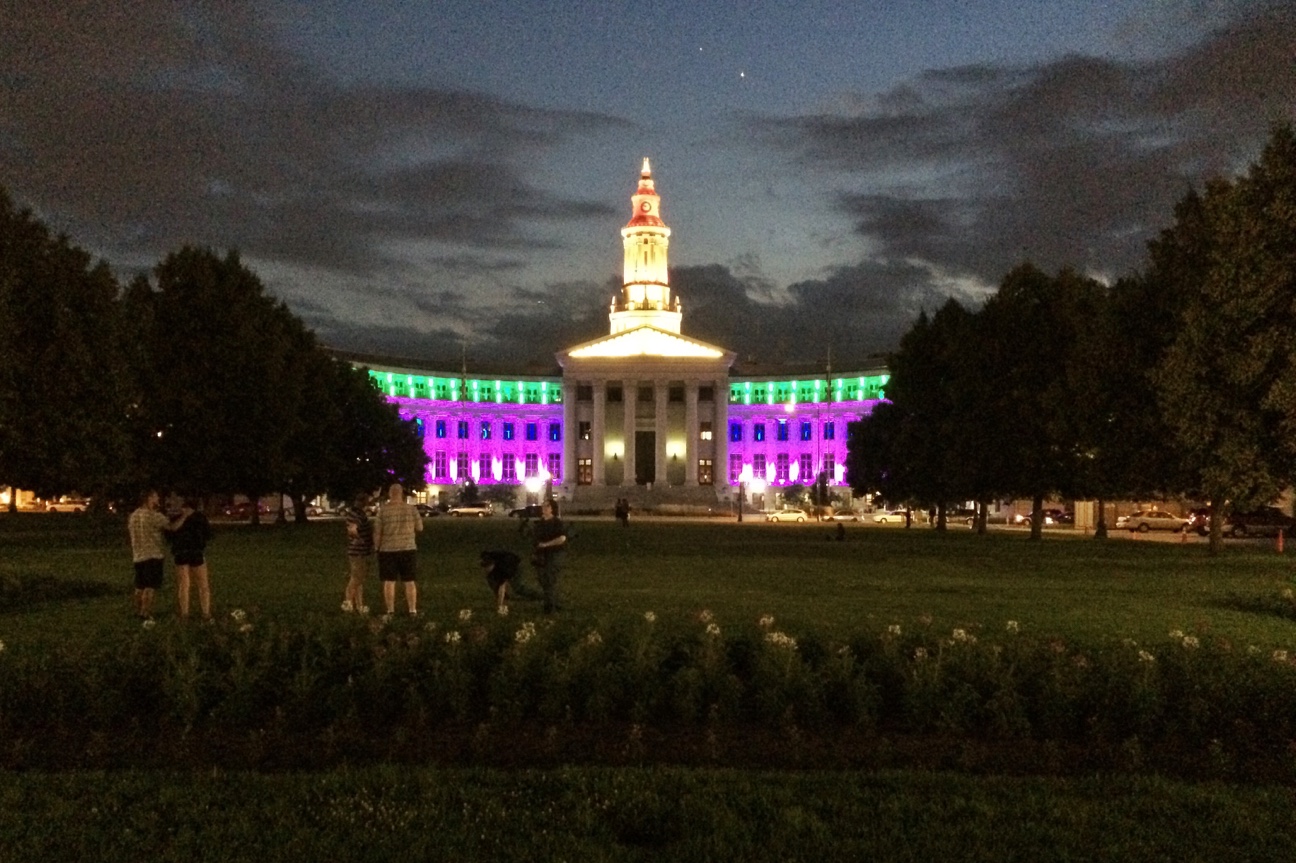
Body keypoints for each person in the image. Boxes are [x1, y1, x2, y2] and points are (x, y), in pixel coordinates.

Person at [127, 490, 179, 623]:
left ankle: (137, 611)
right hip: (153, 555)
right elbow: (172, 527)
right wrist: (184, 517)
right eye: (156, 496)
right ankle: (146, 612)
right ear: (149, 498)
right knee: (150, 586)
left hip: (138, 555)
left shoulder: (133, 516)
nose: (158, 499)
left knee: (140, 586)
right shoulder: (154, 515)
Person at [372, 482, 423, 618]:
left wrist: (377, 547)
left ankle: (390, 610)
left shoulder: (383, 510)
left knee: (389, 581)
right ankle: (412, 610)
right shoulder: (411, 510)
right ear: (401, 493)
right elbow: (420, 528)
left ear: (390, 494)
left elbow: (377, 532)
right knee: (409, 581)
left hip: (388, 549)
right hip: (408, 548)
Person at [169, 497, 213, 621]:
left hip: (181, 553)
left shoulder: (177, 518)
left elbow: (170, 534)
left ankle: (185, 613)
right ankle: (205, 612)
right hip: (196, 552)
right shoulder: (200, 518)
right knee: (203, 585)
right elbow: (208, 534)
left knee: (184, 585)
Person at [531, 499, 568, 613]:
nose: (544, 508)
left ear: (552, 508)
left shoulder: (556, 522)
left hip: (555, 553)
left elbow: (562, 538)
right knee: (543, 580)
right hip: (542, 555)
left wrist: (547, 544)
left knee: (549, 579)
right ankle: (553, 603)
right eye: (543, 506)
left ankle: (550, 607)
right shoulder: (539, 523)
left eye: (547, 506)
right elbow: (536, 540)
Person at [341, 492, 374, 613]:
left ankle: (359, 605)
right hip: (358, 551)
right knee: (356, 578)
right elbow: (352, 529)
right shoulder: (356, 514)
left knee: (359, 579)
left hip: (360, 551)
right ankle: (348, 602)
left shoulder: (355, 513)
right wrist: (359, 539)